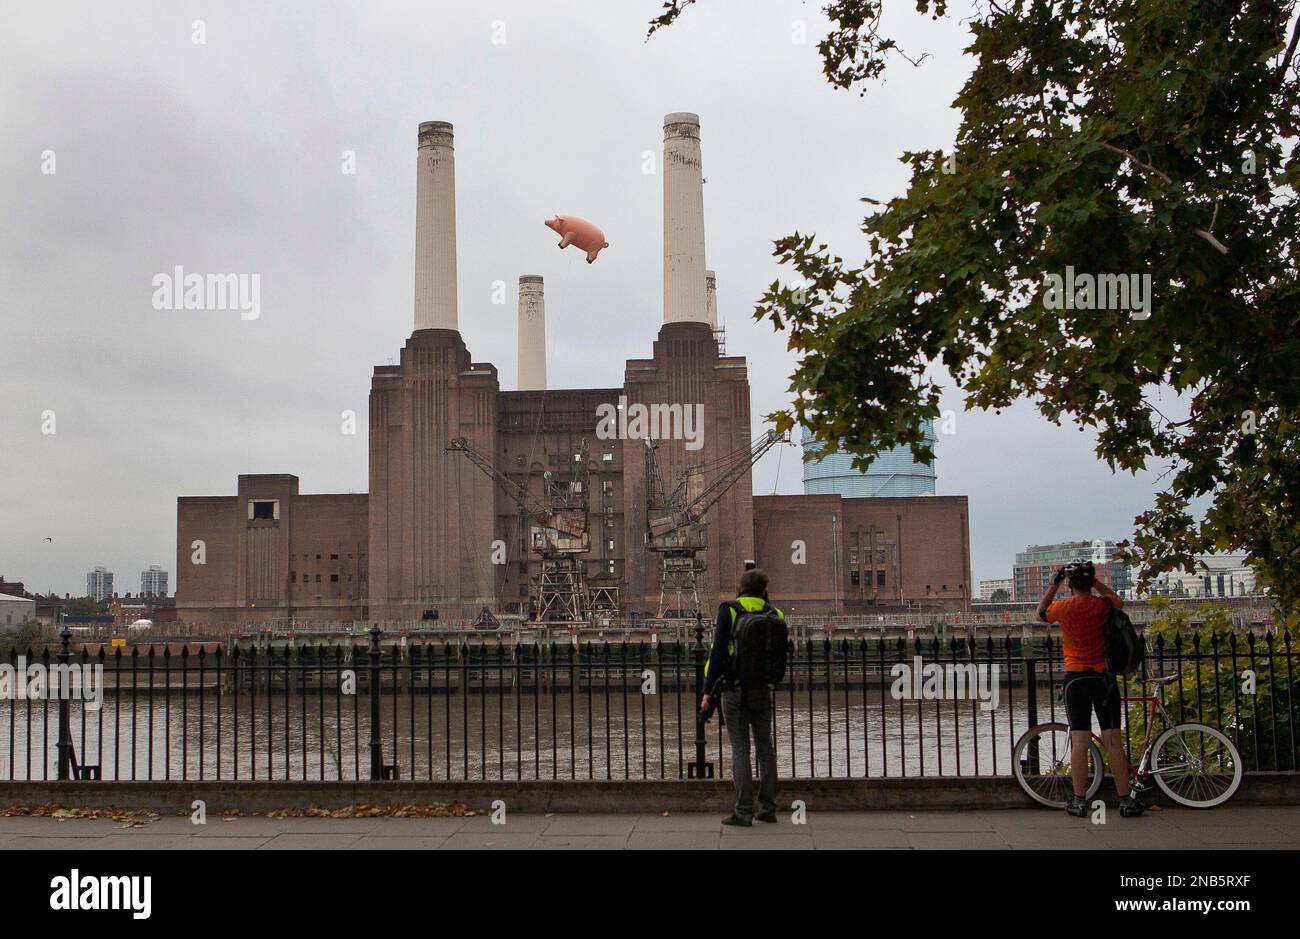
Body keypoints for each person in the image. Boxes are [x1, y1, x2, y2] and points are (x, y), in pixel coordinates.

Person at [1037, 559, 1143, 818]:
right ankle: (1126, 800)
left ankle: (1079, 800)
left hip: (1076, 678)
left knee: (1080, 741)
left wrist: (1054, 584)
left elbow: (1040, 613)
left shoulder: (1063, 608)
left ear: (1071, 584)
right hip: (1103, 679)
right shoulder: (1102, 606)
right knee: (1113, 741)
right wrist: (1095, 582)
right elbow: (1118, 600)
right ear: (1090, 583)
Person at [700, 568, 783, 826]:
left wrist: (707, 693)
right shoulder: (775, 614)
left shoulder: (731, 609)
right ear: (764, 589)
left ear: (742, 587)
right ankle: (768, 808)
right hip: (763, 689)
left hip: (734, 690)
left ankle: (743, 811)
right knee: (766, 748)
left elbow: (717, 656)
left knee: (740, 748)